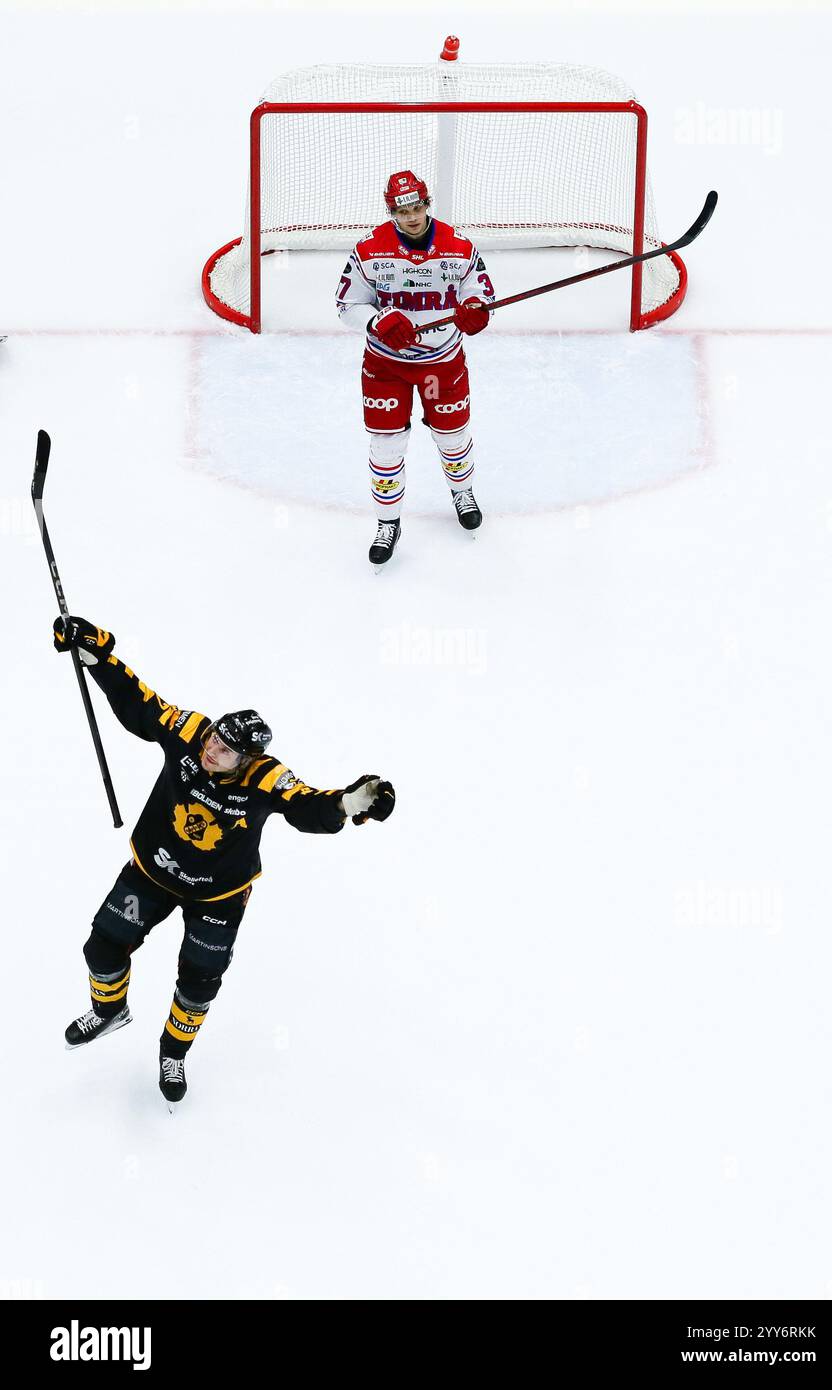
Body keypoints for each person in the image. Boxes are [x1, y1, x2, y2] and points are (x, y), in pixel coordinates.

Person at [54, 616, 395, 1106]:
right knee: (101, 949)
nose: (212, 750)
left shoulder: (267, 778)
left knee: (197, 984)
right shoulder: (191, 731)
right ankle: (109, 1011)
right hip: (154, 869)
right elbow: (139, 704)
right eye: (215, 739)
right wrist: (97, 656)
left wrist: (347, 805)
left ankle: (173, 1052)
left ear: (249, 760)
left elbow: (306, 807)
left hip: (220, 893)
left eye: (227, 750)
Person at [335, 169, 495, 565]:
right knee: (386, 445)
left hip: (440, 364)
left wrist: (476, 309)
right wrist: (376, 321)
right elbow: (346, 304)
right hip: (386, 366)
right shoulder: (370, 250)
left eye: (416, 206)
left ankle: (462, 493)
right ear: (390, 211)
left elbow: (480, 292)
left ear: (427, 204)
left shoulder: (459, 247)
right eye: (401, 210)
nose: (410, 216)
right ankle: (388, 523)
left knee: (451, 437)